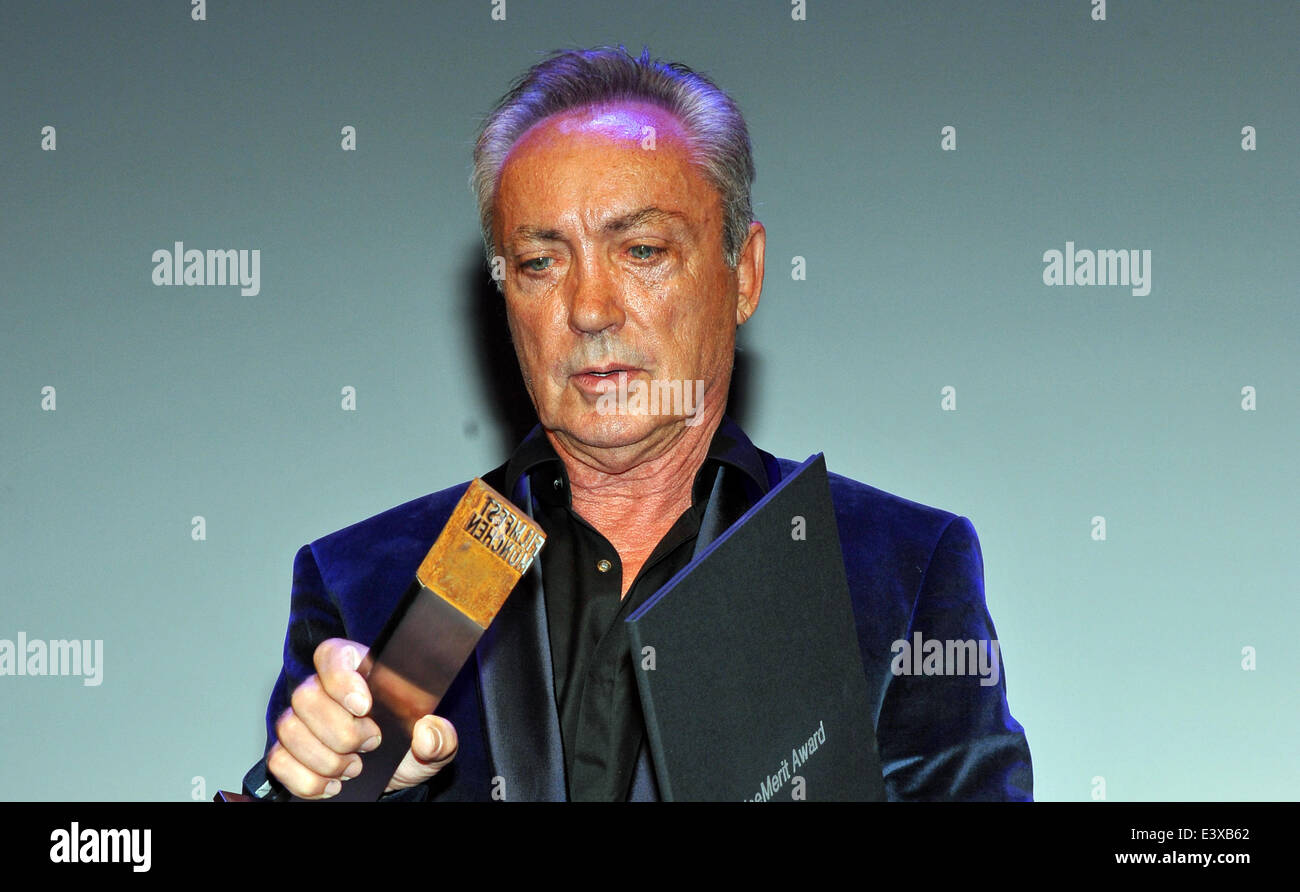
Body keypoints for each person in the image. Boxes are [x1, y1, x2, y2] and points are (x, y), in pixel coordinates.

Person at [241, 45, 1032, 802]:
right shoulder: (372, 584)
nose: (588, 309)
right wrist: (326, 797)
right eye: (541, 262)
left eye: (642, 249)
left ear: (745, 273)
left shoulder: (894, 567)